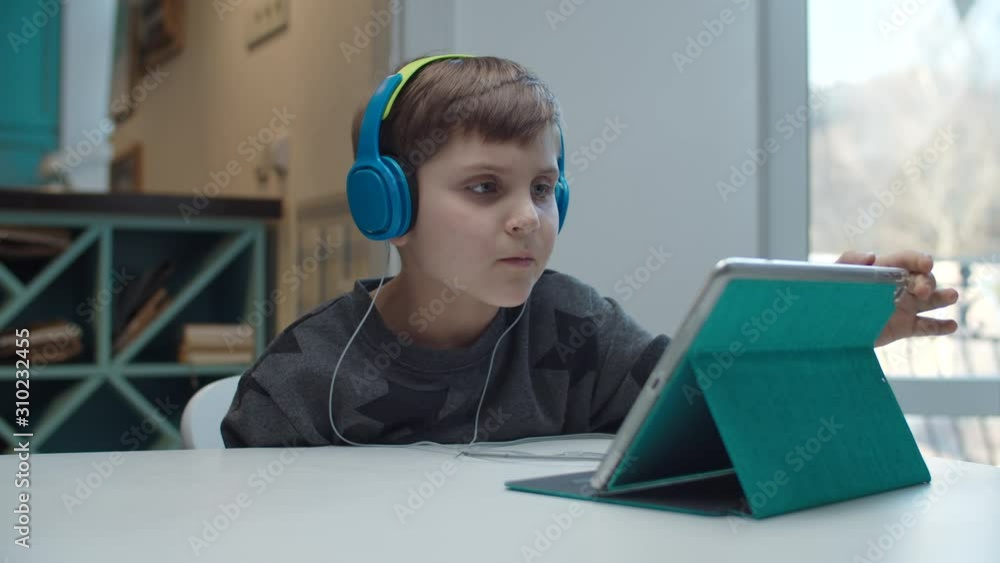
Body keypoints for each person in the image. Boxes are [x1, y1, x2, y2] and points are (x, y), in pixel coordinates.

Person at [220, 54, 959, 448]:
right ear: (389, 207)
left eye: (544, 188)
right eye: (485, 187)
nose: (528, 217)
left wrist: (826, 329)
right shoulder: (301, 381)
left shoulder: (577, 328)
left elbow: (710, 409)